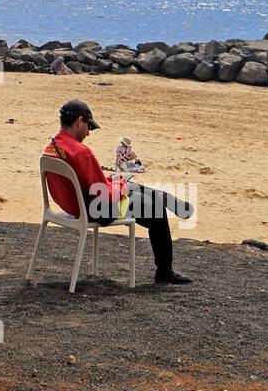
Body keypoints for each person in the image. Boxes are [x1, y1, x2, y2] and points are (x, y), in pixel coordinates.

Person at [45, 99, 192, 285]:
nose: (88, 133)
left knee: (129, 187)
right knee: (153, 208)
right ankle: (164, 271)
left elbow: (88, 183)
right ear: (80, 121)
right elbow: (105, 195)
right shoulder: (81, 151)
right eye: (89, 127)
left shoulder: (52, 146)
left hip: (76, 203)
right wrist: (119, 185)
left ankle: (167, 200)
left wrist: (115, 183)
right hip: (97, 210)